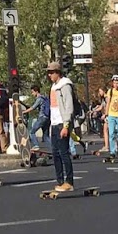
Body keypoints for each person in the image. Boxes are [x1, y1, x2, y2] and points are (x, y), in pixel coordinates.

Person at [46, 61, 77, 194]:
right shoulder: (54, 86)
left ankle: (69, 181)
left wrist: (66, 125)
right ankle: (60, 181)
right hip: (54, 123)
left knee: (64, 153)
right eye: (48, 73)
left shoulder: (65, 85)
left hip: (62, 123)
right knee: (55, 153)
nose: (49, 75)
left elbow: (69, 105)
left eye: (51, 72)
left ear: (58, 73)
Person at [102, 74, 118, 161]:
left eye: (117, 83)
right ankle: (112, 151)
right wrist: (106, 113)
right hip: (112, 114)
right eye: (114, 83)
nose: (116, 85)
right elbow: (108, 102)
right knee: (111, 133)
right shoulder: (110, 91)